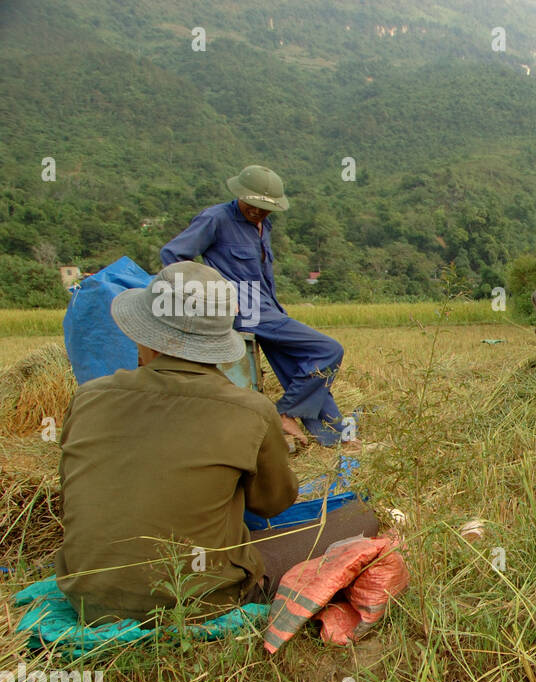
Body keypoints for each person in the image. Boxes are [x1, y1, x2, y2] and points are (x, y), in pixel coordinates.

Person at [55, 261, 378, 624]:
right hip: (200, 597)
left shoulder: (89, 398)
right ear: (220, 343)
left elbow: (72, 494)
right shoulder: (250, 410)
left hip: (85, 594)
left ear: (144, 337)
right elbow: (273, 504)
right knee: (360, 516)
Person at [160, 165, 355, 447]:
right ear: (240, 194)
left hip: (267, 307)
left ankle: (333, 439)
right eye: (252, 205)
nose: (258, 212)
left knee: (301, 366)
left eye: (265, 208)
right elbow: (173, 255)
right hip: (243, 309)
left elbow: (263, 276)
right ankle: (283, 413)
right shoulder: (215, 219)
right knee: (327, 350)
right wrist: (206, 298)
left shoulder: (265, 226)